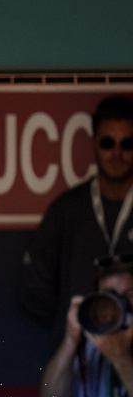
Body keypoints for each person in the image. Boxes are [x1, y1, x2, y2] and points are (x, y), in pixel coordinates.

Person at [20, 96, 133, 352]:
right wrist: (70, 322)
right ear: (94, 143)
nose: (117, 153)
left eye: (127, 144)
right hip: (77, 356)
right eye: (107, 143)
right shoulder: (66, 209)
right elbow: (35, 290)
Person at [40, 255, 133, 397]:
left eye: (128, 295)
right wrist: (70, 340)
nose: (117, 305)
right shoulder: (88, 342)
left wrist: (120, 358)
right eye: (109, 296)